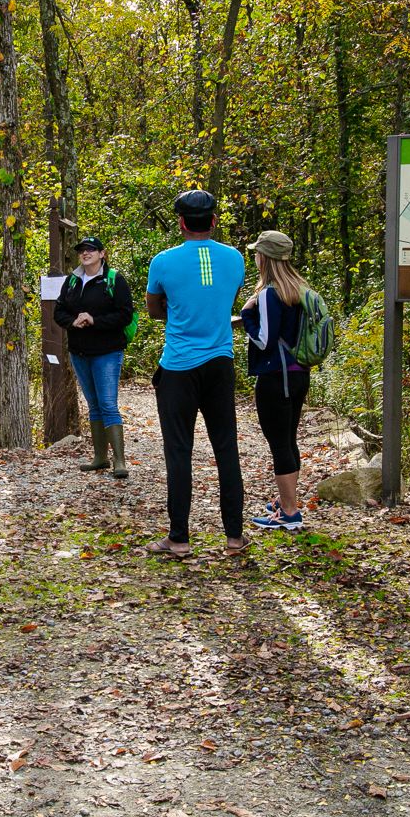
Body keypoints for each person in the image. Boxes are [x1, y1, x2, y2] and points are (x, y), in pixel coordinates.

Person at [144, 190, 247, 558]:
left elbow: (155, 309)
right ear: (214, 221)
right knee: (226, 448)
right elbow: (227, 300)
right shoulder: (235, 259)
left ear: (181, 222)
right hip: (220, 362)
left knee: (179, 451)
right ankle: (234, 536)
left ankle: (179, 538)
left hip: (178, 366)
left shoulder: (163, 262)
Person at [239, 230, 311, 531]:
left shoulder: (270, 293)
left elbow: (265, 339)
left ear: (264, 257)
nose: (255, 257)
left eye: (257, 252)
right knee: (288, 439)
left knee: (279, 443)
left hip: (275, 376)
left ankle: (290, 512)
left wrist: (247, 316)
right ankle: (287, 503)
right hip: (298, 374)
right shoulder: (300, 288)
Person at [53, 235, 135, 479]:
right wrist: (74, 321)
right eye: (82, 250)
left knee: (108, 404)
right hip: (79, 351)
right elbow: (60, 312)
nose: (85, 253)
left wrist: (94, 320)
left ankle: (119, 461)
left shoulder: (114, 280)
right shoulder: (72, 281)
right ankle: (100, 458)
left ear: (102, 254)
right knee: (94, 406)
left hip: (107, 351)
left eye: (91, 249)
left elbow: (125, 315)